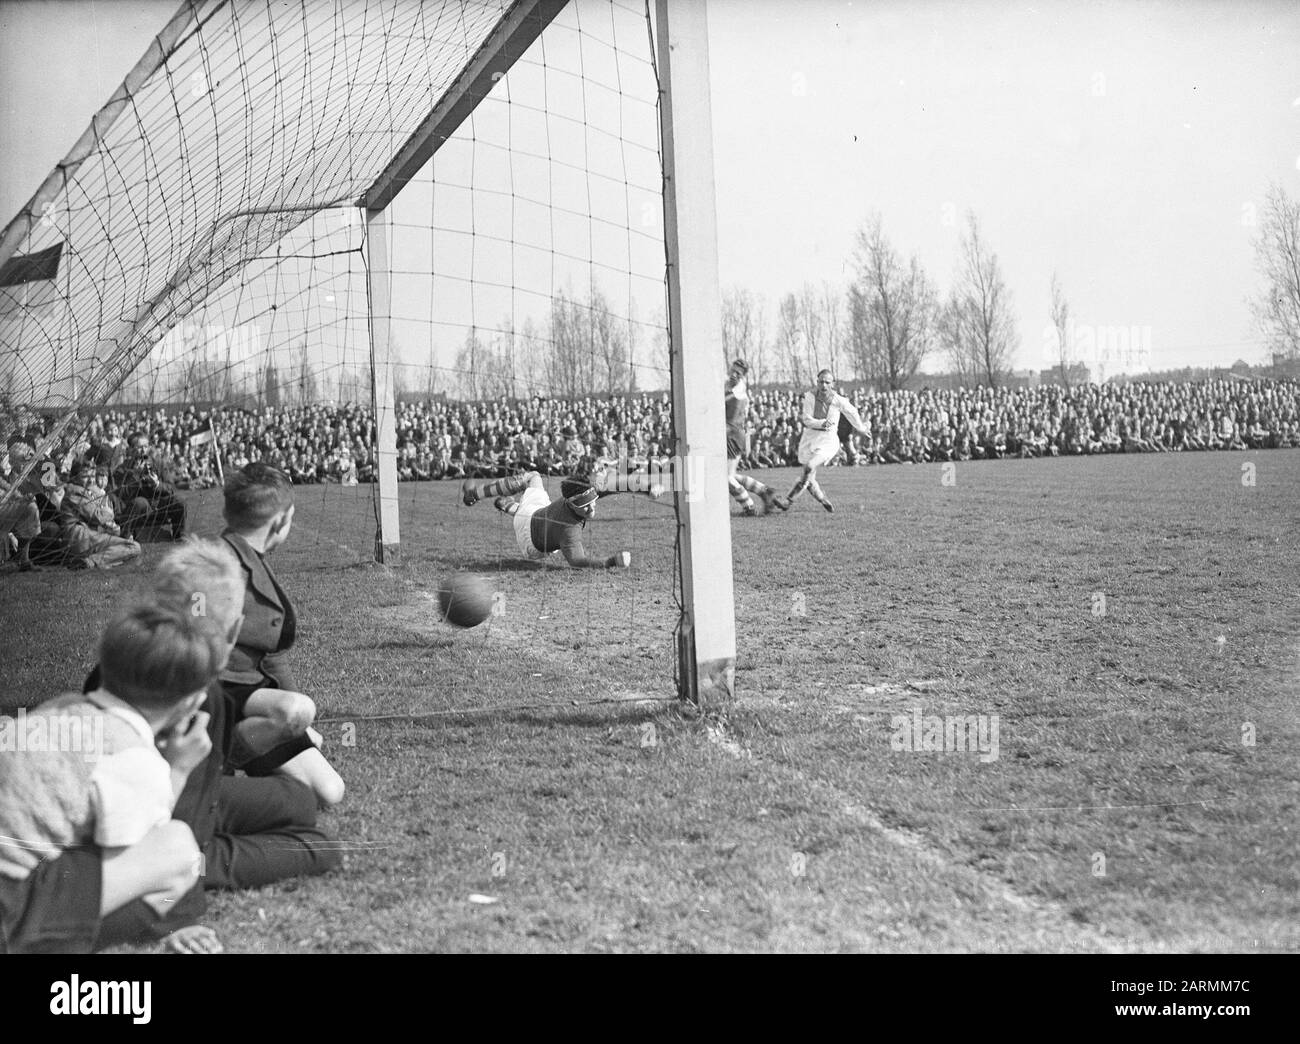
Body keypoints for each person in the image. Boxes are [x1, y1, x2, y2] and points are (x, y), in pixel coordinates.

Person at [0, 603, 222, 953]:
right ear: (191, 702)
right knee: (179, 847)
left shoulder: (63, 706)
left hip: (20, 868)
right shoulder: (130, 756)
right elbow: (143, 843)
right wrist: (177, 769)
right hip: (10, 904)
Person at [219, 464, 345, 808]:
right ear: (279, 522)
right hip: (209, 700)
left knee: (328, 792)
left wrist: (295, 728)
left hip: (249, 699)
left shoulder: (249, 556)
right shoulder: (212, 567)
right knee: (297, 709)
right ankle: (217, 764)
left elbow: (270, 654)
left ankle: (230, 768)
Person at [461, 472, 632, 569]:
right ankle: (478, 495)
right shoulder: (568, 532)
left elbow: (612, 486)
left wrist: (647, 488)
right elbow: (577, 561)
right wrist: (611, 561)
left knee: (533, 478)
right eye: (584, 506)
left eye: (592, 502)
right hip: (532, 545)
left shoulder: (575, 496)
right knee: (533, 479)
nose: (591, 508)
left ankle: (506, 505)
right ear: (571, 504)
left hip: (538, 514)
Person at [772, 369, 870, 513]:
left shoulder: (838, 400)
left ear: (832, 384)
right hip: (810, 438)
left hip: (827, 441)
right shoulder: (810, 397)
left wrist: (861, 428)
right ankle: (822, 498)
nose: (823, 385)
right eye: (821, 382)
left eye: (827, 382)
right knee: (809, 477)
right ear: (817, 382)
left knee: (809, 467)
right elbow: (806, 419)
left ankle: (787, 501)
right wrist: (823, 423)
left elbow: (852, 412)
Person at [59, 461, 142, 570]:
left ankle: (90, 561)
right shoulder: (75, 491)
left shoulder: (89, 491)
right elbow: (97, 516)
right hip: (80, 537)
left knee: (131, 549)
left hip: (90, 535)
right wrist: (109, 512)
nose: (91, 480)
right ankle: (90, 561)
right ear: (74, 478)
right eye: (85, 476)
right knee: (133, 547)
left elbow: (102, 518)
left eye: (92, 476)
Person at [724, 359, 780, 515]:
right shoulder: (730, 387)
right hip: (733, 436)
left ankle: (748, 506)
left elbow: (730, 423)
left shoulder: (737, 395)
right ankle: (764, 491)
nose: (734, 375)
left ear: (743, 376)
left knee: (725, 477)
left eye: (738, 373)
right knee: (731, 475)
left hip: (731, 437)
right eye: (732, 370)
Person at [113, 431, 186, 541]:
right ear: (131, 449)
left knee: (179, 500)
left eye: (146, 446)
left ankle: (179, 535)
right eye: (139, 447)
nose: (143, 450)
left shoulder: (158, 463)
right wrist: (135, 475)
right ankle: (126, 537)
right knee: (140, 502)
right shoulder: (122, 469)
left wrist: (157, 484)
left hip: (159, 508)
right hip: (139, 512)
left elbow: (171, 487)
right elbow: (121, 495)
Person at [1, 433, 46, 571]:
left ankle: (24, 561)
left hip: (15, 519)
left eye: (27, 462)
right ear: (12, 462)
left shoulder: (31, 479)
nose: (25, 466)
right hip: (5, 518)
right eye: (22, 462)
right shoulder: (6, 478)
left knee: (31, 508)